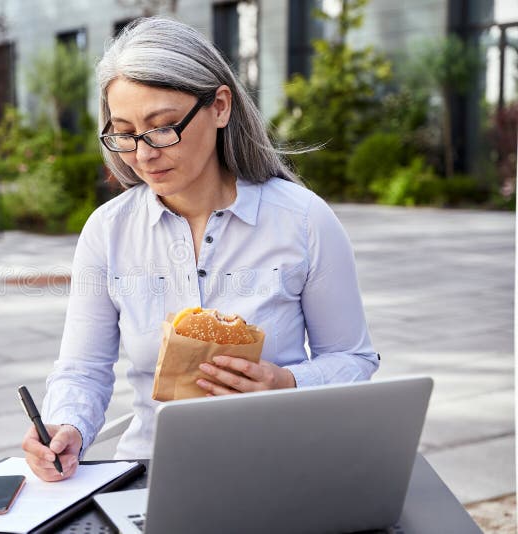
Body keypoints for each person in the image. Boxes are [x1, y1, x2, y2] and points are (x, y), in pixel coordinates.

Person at [22, 17, 379, 481]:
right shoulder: (108, 231)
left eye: (163, 127)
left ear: (220, 107)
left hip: (277, 470)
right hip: (154, 472)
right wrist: (67, 426)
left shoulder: (304, 220)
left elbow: (353, 359)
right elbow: (83, 368)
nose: (143, 154)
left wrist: (288, 382)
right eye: (124, 132)